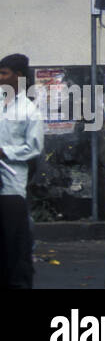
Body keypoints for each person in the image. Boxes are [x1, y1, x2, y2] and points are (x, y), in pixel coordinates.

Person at [0, 54, 43, 288]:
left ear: (18, 76)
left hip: (12, 186)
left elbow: (34, 147)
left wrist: (5, 152)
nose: (0, 78)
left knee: (16, 245)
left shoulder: (29, 111)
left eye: (4, 73)